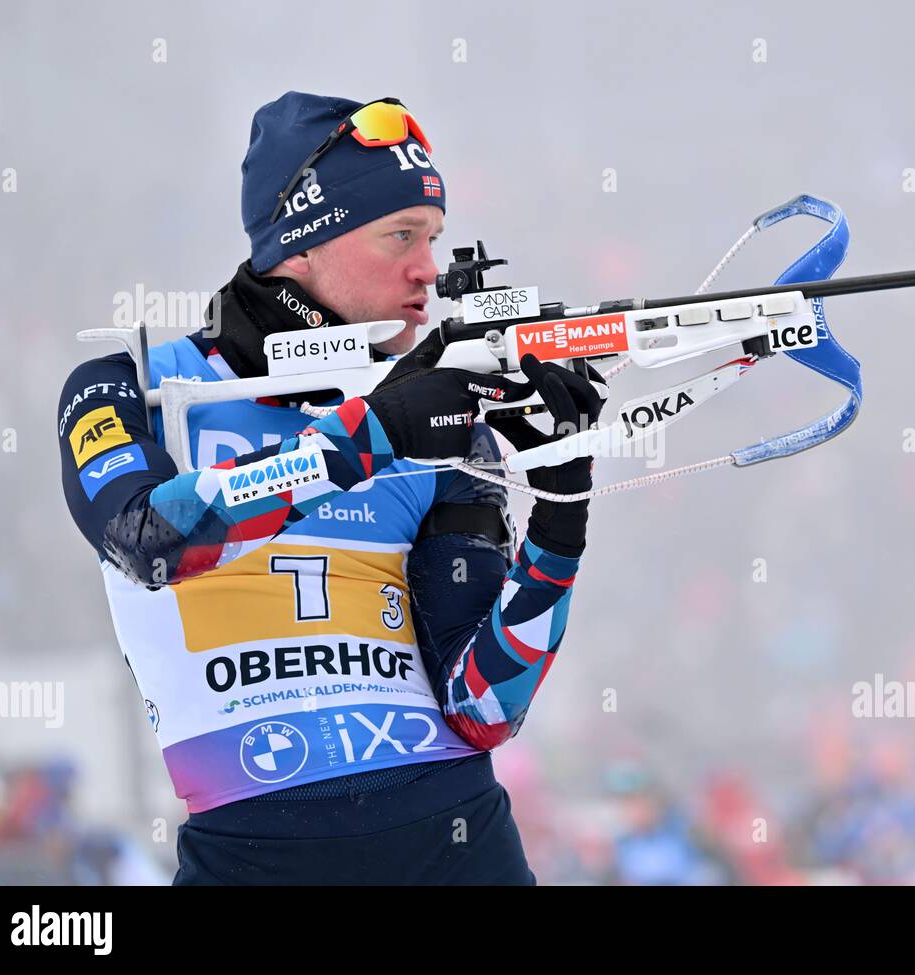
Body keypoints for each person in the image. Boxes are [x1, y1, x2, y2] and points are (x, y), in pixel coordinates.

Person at [56, 92, 602, 884]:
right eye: (400, 236)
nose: (428, 267)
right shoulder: (131, 386)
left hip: (456, 845)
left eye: (435, 239)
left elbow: (483, 711)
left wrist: (560, 516)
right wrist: (371, 435)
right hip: (250, 856)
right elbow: (150, 540)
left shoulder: (439, 419)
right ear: (302, 245)